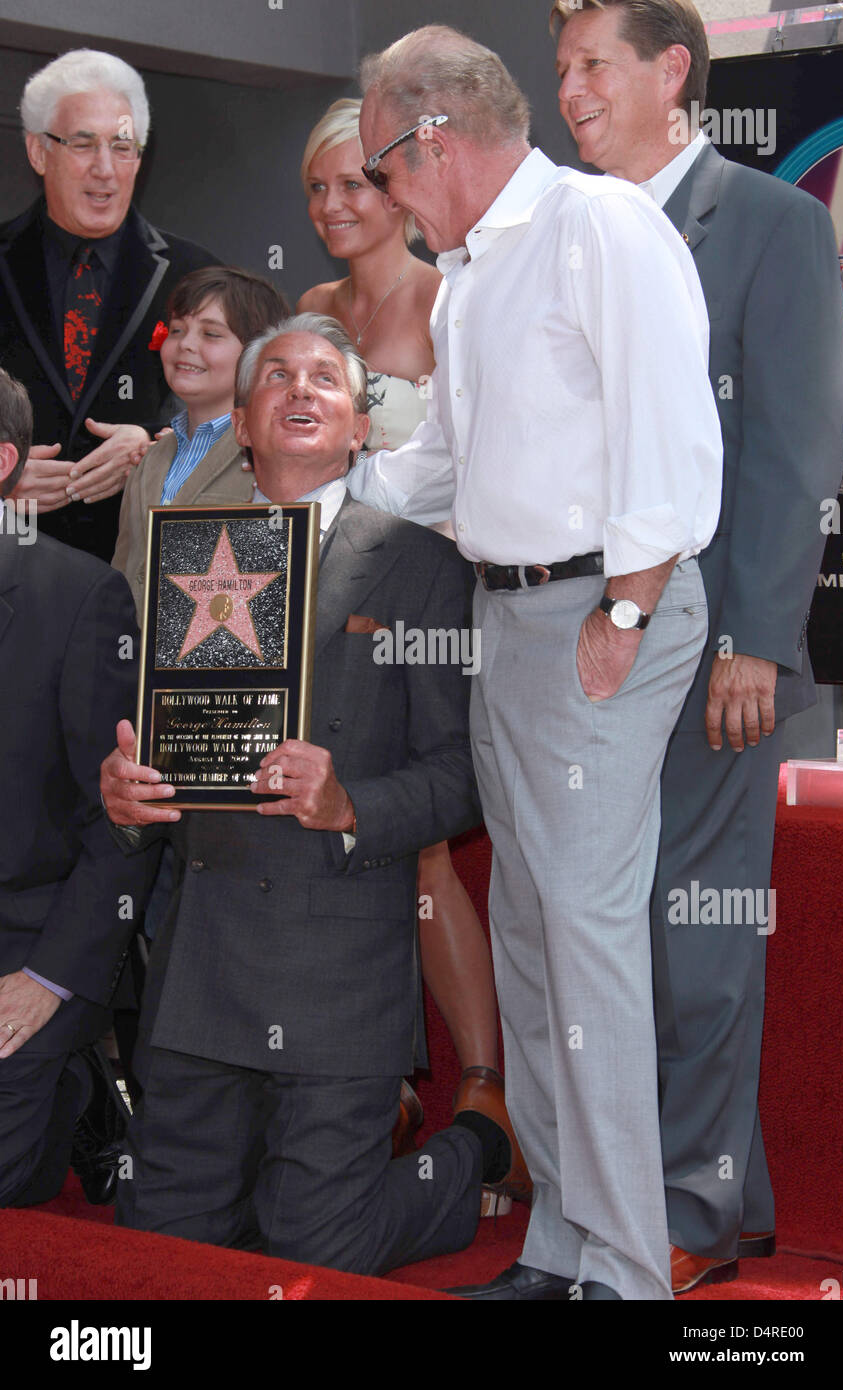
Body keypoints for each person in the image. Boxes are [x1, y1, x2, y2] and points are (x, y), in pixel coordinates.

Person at [349, 25, 723, 1301]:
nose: (382, 201)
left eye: (382, 174)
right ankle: (565, 1245)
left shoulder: (598, 228)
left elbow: (673, 438)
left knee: (583, 933)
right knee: (530, 933)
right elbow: (443, 466)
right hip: (510, 621)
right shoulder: (472, 276)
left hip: (597, 614)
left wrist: (621, 618)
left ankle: (626, 1272)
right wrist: (319, 484)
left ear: (429, 140)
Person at [99, 314, 529, 1273]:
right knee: (170, 1253)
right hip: (202, 964)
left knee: (317, 1248)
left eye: (325, 380)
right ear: (242, 424)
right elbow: (150, 751)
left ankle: (473, 1151)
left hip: (340, 972)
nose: (299, 391)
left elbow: (464, 776)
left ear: (360, 426)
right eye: (277, 377)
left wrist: (351, 806)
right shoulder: (189, 557)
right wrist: (126, 796)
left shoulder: (421, 565)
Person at [550, 0, 843, 1293]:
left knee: (691, 933)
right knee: (608, 937)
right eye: (555, 70)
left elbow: (790, 449)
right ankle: (712, 1191)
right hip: (583, 651)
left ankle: (689, 1202)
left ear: (672, 73)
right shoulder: (566, 232)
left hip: (713, 654)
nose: (566, 92)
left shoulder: (771, 222)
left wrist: (755, 639)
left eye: (590, 67)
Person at [297, 97, 503, 1144]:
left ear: (392, 186)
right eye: (316, 189)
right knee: (328, 834)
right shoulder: (310, 306)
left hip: (435, 602)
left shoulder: (450, 299)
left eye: (352, 183)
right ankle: (364, 1074)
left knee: (416, 843)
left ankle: (481, 1091)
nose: (334, 204)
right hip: (327, 612)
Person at [0, 366, 152, 1210]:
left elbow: (123, 822)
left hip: (20, 954)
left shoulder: (80, 599)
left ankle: (77, 1073)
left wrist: (48, 980)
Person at [0, 48, 220, 563]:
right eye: (82, 144)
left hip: (146, 573)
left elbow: (242, 415)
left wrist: (152, 447)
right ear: (38, 151)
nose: (105, 170)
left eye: (122, 147)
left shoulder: (200, 273)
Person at [113, 265, 290, 621]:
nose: (186, 345)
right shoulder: (151, 458)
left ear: (258, 356)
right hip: (129, 661)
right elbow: (122, 569)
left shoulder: (268, 458)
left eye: (211, 334)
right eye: (177, 330)